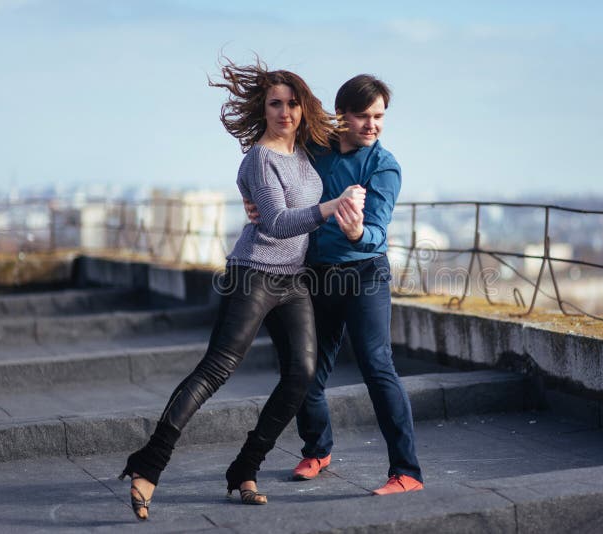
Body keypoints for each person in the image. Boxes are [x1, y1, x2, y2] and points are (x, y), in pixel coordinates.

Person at [119, 57, 365, 520]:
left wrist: (368, 121)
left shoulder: (307, 150)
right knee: (216, 369)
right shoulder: (259, 157)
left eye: (292, 103)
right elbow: (274, 222)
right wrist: (331, 207)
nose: (285, 112)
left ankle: (245, 468)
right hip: (252, 272)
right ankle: (148, 464)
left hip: (293, 278)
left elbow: (354, 136)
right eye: (276, 103)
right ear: (263, 108)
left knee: (302, 374)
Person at [245, 74, 424, 495]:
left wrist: (359, 232)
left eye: (379, 116)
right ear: (341, 115)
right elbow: (271, 165)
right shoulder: (314, 150)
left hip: (364, 274)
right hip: (313, 274)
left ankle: (407, 471)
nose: (372, 125)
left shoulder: (384, 165)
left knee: (378, 367)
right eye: (362, 115)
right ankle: (318, 449)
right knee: (304, 371)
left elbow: (378, 230)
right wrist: (252, 197)